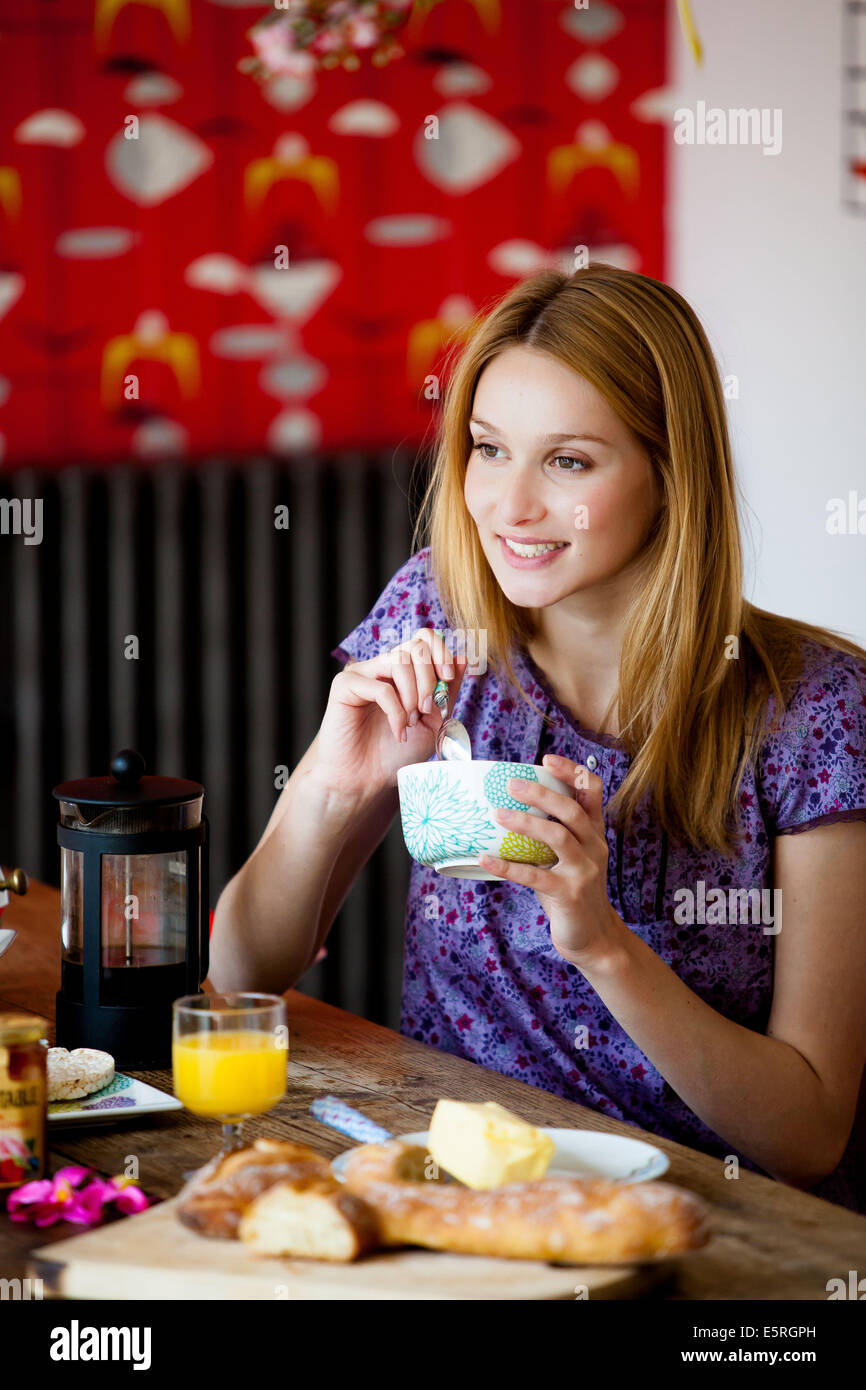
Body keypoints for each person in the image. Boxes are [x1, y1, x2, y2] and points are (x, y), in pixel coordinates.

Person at [210, 263, 866, 1213]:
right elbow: (238, 976)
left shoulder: (819, 712)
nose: (507, 507)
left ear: (670, 472)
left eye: (569, 461)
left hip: (710, 1220)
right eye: (487, 448)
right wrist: (332, 783)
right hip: (461, 1192)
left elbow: (807, 1136)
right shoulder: (436, 614)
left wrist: (601, 942)